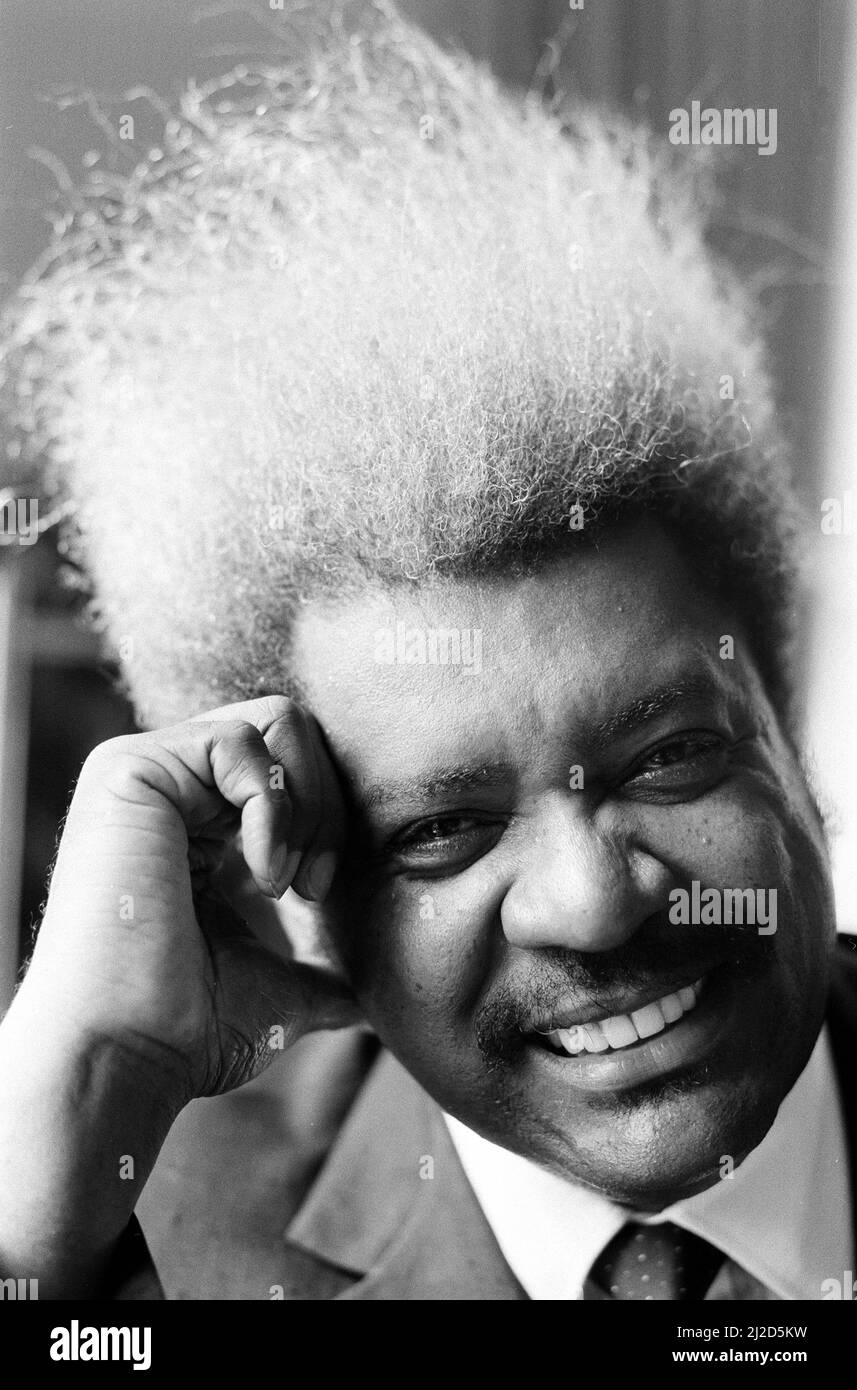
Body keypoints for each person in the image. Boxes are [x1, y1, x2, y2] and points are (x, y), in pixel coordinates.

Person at [0, 0, 852, 1301]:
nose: (593, 901)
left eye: (673, 753)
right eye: (439, 828)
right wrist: (38, 1217)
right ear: (301, 892)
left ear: (789, 734)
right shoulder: (148, 1235)